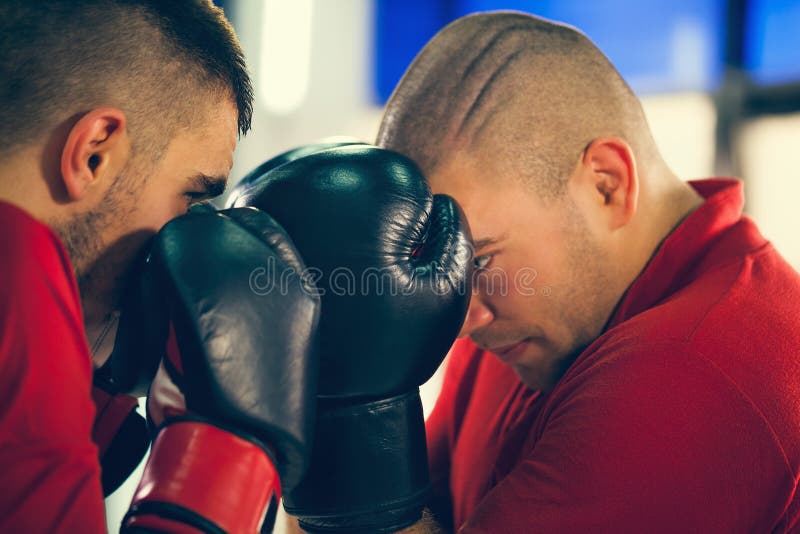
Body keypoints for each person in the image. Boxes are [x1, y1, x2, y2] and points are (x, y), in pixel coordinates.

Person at [375, 11, 800, 533]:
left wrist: (336, 417)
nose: (463, 320)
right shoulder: (518, 326)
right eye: (445, 266)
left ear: (607, 184)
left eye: (481, 258)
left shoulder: (696, 366)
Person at [0, 1, 302, 531]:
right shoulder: (18, 263)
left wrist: (95, 392)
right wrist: (223, 447)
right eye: (191, 198)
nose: (185, 234)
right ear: (95, 152)